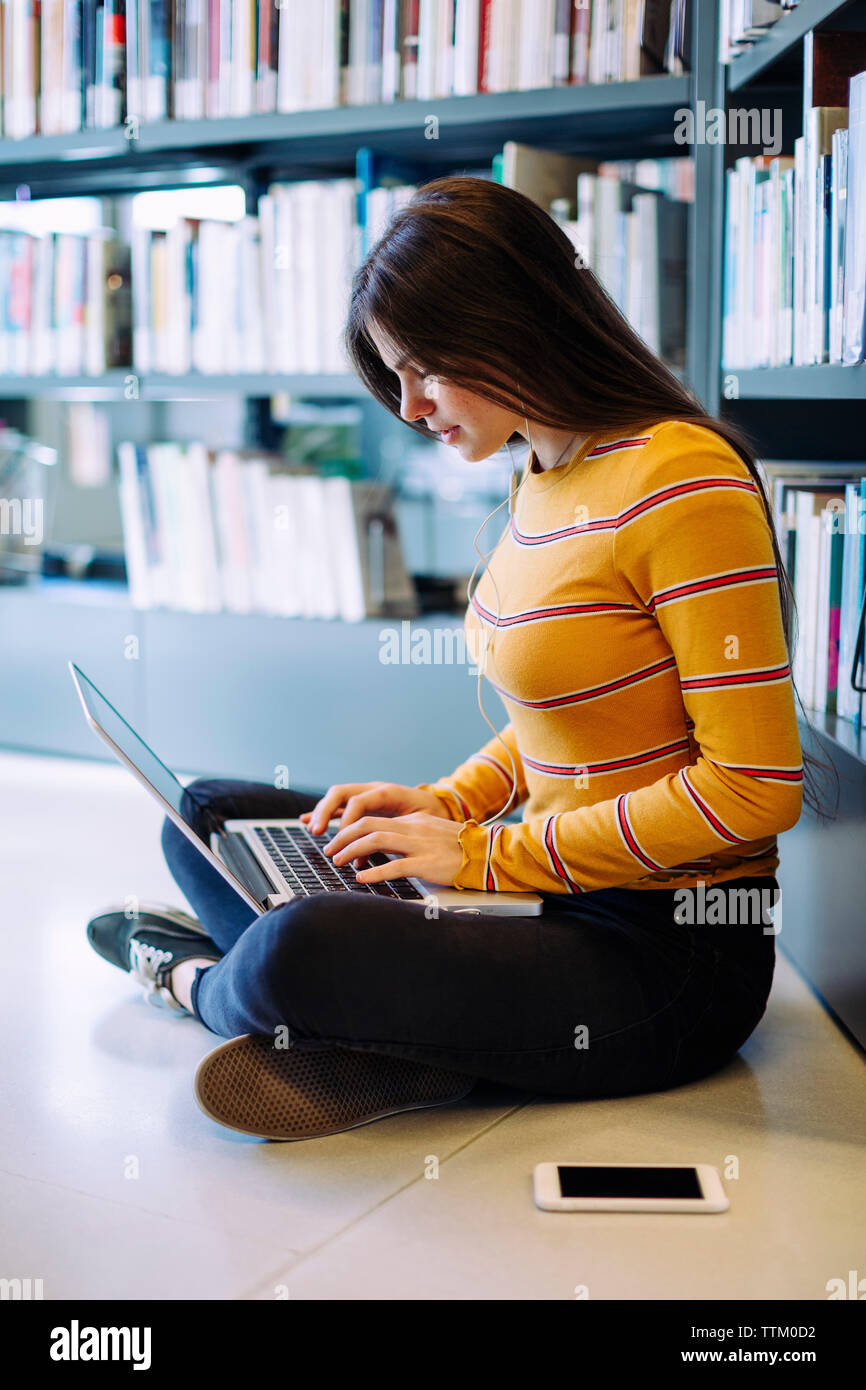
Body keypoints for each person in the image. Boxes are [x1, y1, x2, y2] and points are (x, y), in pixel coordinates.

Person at [87, 175, 827, 1142]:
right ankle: (397, 1032)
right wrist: (450, 802)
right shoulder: (543, 471)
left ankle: (193, 982)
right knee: (209, 816)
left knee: (294, 949)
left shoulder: (684, 482)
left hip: (669, 960)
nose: (409, 405)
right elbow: (566, 716)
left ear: (507, 321)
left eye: (423, 368)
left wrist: (484, 855)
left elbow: (755, 788)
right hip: (554, 900)